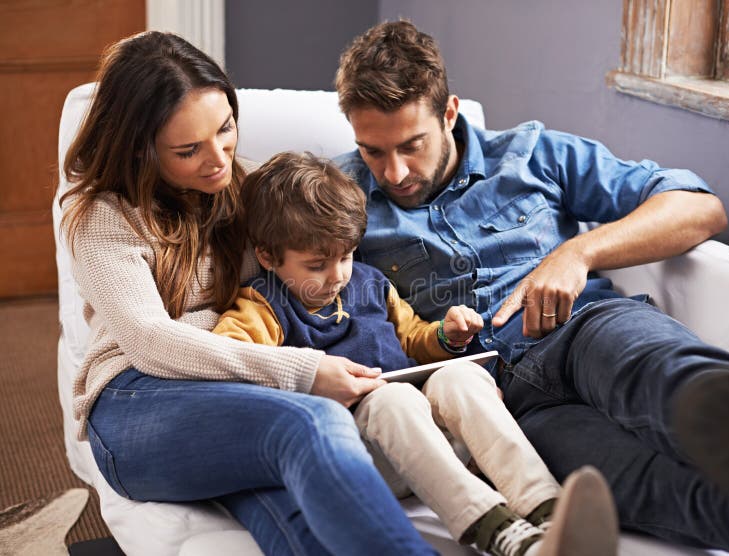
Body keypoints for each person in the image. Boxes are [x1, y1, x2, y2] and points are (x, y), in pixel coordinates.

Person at [332, 20, 729, 556]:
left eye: (412, 145)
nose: (394, 172)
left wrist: (577, 252)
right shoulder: (336, 199)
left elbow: (698, 206)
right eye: (372, 151)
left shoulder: (532, 155)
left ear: (450, 113)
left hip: (586, 330)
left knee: (670, 382)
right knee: (673, 496)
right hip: (509, 414)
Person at [59, 30, 438, 556]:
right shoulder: (103, 217)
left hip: (234, 397)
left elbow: (336, 233)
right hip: (134, 402)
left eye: (226, 129)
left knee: (296, 521)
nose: (218, 159)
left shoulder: (253, 193)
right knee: (309, 421)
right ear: (140, 149)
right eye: (189, 149)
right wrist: (303, 371)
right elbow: (150, 341)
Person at [213, 151, 620, 556]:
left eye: (345, 257)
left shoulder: (371, 285)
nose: (337, 275)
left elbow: (411, 338)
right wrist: (309, 375)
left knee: (460, 377)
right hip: (367, 456)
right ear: (267, 256)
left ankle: (546, 511)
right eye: (316, 265)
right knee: (393, 398)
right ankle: (499, 532)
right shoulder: (262, 307)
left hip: (435, 442)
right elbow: (228, 363)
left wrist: (446, 335)